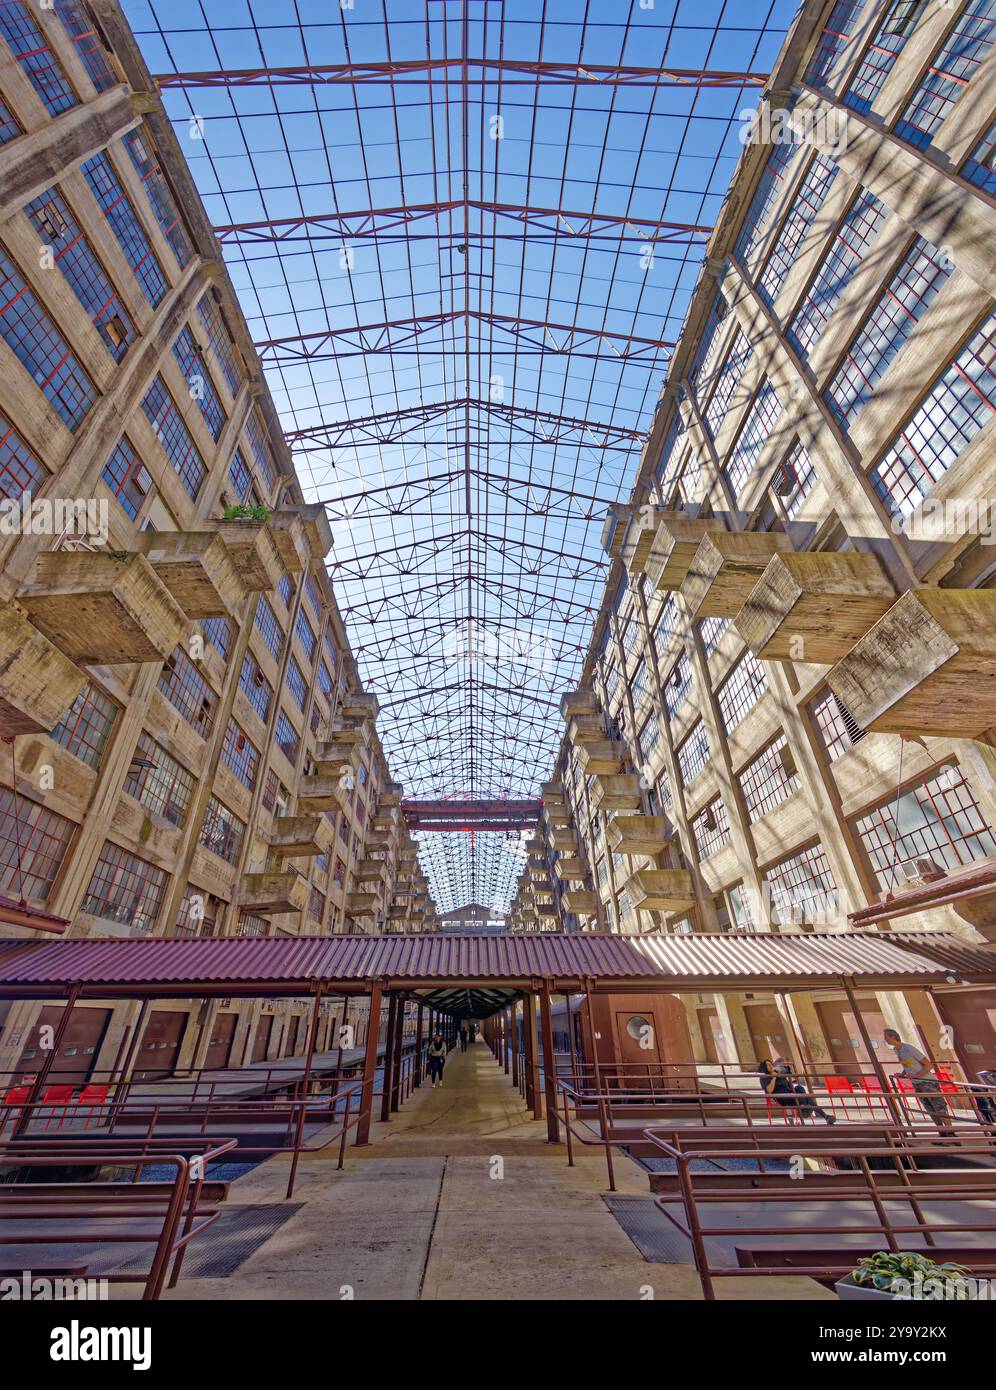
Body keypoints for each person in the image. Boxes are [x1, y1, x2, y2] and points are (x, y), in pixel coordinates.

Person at [883, 1028, 953, 1133]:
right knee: (930, 1109)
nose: (885, 1040)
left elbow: (929, 1065)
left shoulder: (909, 1048)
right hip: (917, 1084)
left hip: (928, 1082)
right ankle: (942, 1132)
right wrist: (903, 1074)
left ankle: (951, 1133)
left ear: (893, 1037)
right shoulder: (897, 1050)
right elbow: (908, 1063)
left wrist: (918, 1075)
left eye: (886, 1037)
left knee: (940, 1108)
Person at [759, 1058, 836, 1124]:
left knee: (800, 1088)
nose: (770, 1066)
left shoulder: (778, 1072)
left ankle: (823, 1115)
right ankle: (806, 1109)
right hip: (782, 1098)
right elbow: (769, 1090)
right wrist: (774, 1078)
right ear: (764, 1068)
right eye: (768, 1065)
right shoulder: (764, 1078)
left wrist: (779, 1071)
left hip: (791, 1094)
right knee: (806, 1100)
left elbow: (788, 1071)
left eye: (770, 1064)